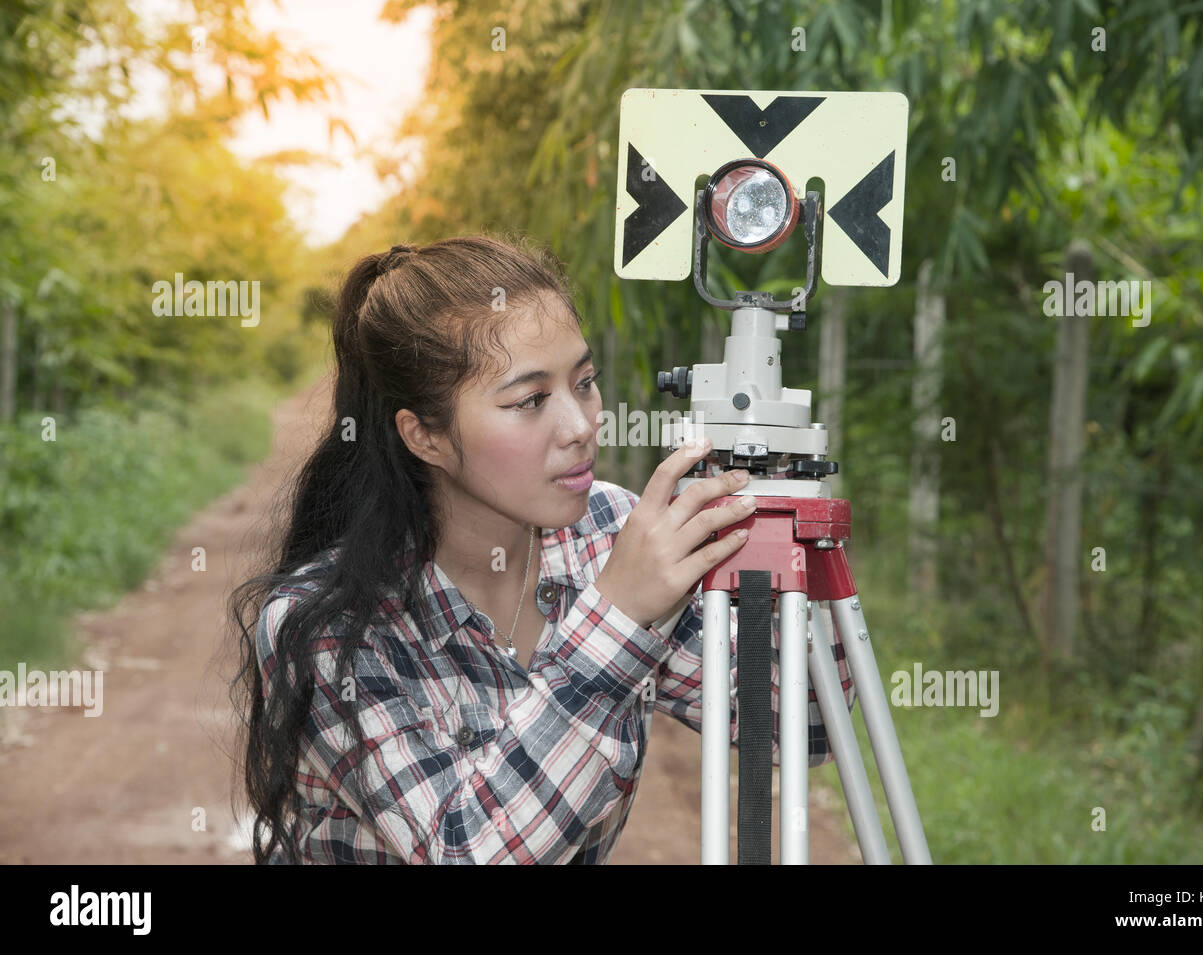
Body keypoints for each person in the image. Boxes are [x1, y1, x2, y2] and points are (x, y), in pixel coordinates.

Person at [228, 234, 856, 864]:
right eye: (530, 401)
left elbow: (806, 725)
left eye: (584, 383)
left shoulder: (607, 534)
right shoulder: (329, 627)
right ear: (426, 436)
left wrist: (796, 519)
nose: (581, 426)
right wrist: (617, 620)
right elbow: (467, 850)